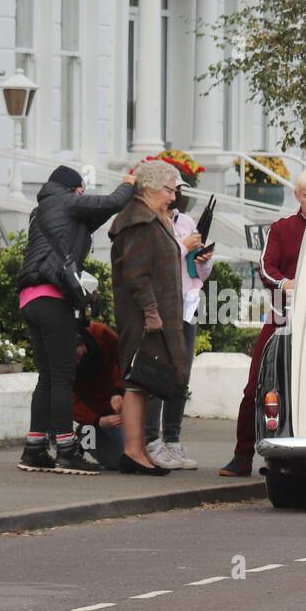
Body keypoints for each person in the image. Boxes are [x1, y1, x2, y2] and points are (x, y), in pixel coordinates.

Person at [17, 166, 136, 475]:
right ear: (73, 189)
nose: (83, 195)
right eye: (81, 190)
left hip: (30, 299)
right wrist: (128, 184)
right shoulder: (65, 201)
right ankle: (67, 450)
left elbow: (94, 217)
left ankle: (34, 448)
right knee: (61, 376)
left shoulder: (45, 209)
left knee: (46, 376)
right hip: (52, 298)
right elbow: (110, 202)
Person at [219, 168, 306, 485]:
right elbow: (265, 268)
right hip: (282, 318)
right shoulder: (282, 229)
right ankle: (242, 456)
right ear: (296, 196)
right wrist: (286, 284)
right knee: (255, 385)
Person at [108, 160, 190, 475]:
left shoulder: (153, 219)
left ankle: (138, 451)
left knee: (142, 383)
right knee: (137, 381)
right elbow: (136, 274)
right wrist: (151, 314)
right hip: (144, 319)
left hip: (150, 317)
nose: (173, 197)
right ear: (151, 188)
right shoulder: (140, 222)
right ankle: (132, 452)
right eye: (170, 189)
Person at [144, 192, 214, 470]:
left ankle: (172, 440)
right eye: (171, 190)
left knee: (181, 374)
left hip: (188, 304)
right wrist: (184, 247)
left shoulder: (185, 221)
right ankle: (153, 441)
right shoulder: (149, 222)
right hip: (161, 306)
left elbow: (199, 272)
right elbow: (159, 262)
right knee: (156, 374)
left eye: (177, 190)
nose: (175, 196)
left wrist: (203, 259)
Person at [73, 321, 126, 471]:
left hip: (113, 403)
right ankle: (80, 437)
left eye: (76, 355)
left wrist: (118, 391)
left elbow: (126, 361)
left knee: (126, 457)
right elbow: (68, 401)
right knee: (116, 461)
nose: (75, 362)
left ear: (81, 342)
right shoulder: (57, 359)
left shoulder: (101, 333)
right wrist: (96, 420)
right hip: (88, 412)